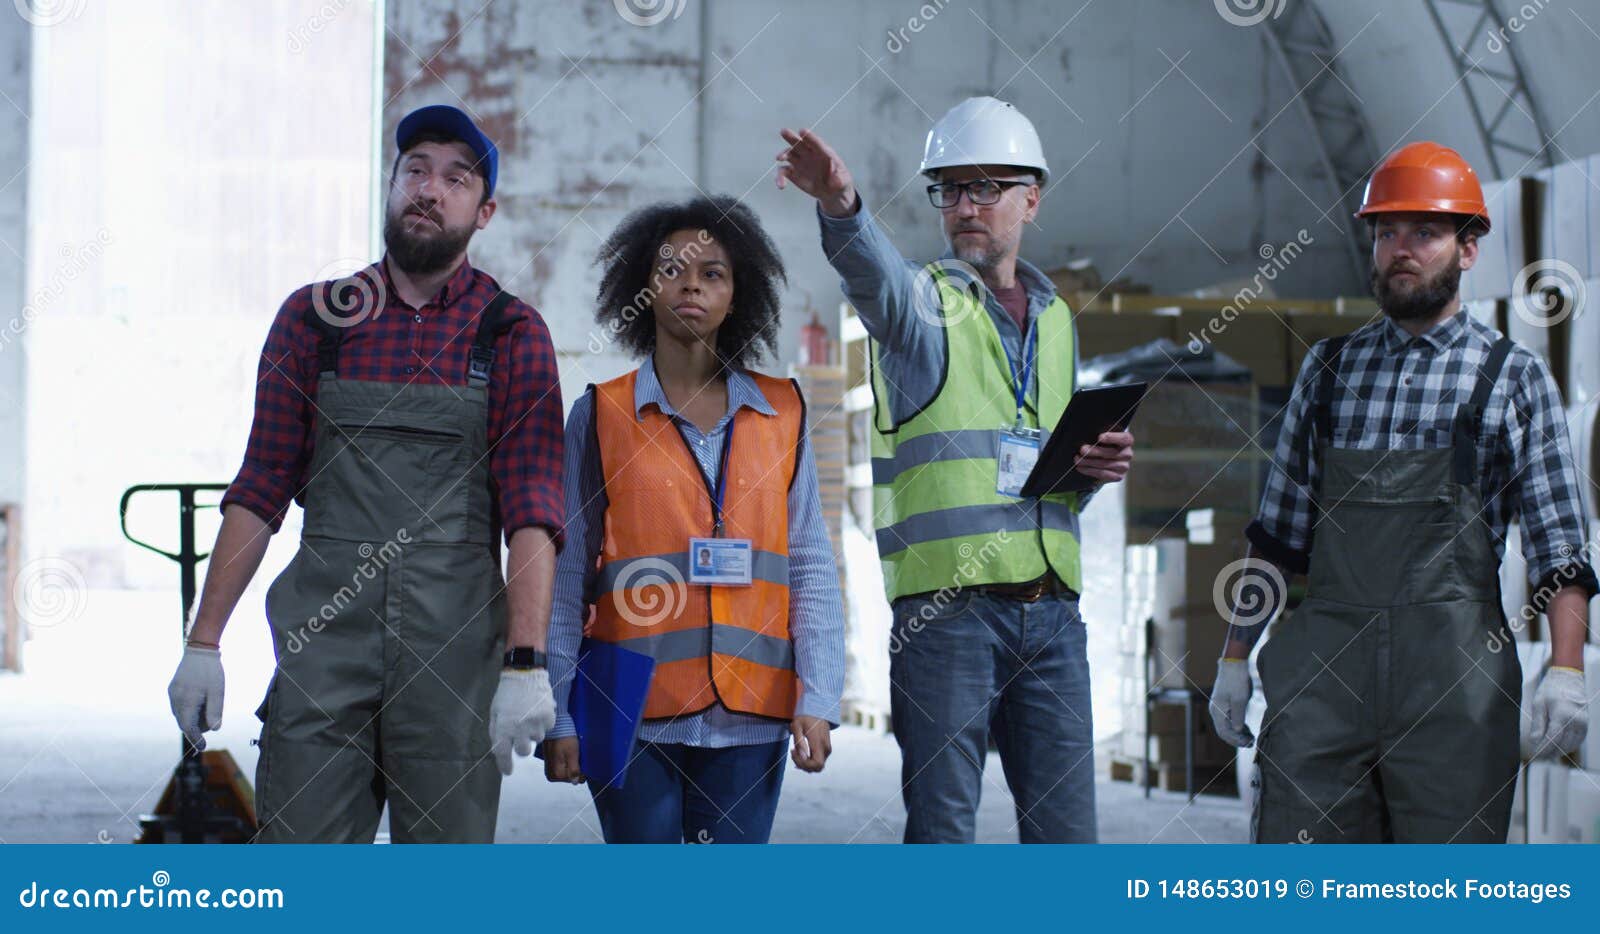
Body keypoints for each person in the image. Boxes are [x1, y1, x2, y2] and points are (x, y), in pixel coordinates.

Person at [165, 105, 566, 843]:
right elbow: (260, 490)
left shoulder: (511, 335)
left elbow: (534, 511)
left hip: (452, 672)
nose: (429, 189)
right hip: (324, 662)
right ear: (389, 188)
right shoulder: (315, 324)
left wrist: (527, 663)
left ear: (484, 212)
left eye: (455, 177)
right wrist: (204, 642)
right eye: (414, 171)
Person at [1209, 141, 1594, 843]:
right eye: (1387, 232)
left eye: (1425, 232)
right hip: (1325, 681)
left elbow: (1559, 546)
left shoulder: (1512, 378)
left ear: (1468, 249)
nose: (1401, 250)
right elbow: (1275, 536)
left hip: (1453, 689)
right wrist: (1234, 657)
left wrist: (1566, 669)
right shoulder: (1329, 373)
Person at [776, 97, 1134, 843]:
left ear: (1031, 198)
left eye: (986, 188)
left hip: (1055, 615)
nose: (965, 205)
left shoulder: (1060, 320)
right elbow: (872, 274)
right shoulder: (923, 308)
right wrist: (841, 204)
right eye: (950, 189)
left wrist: (1094, 470)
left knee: (1069, 838)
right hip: (948, 618)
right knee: (943, 835)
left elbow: (1050, 479)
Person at [543, 195, 845, 844]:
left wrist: (819, 698)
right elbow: (565, 578)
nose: (691, 283)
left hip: (751, 711)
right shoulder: (599, 416)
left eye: (713, 273)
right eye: (673, 268)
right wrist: (562, 715)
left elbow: (811, 565)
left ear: (737, 297)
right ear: (644, 287)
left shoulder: (784, 414)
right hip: (621, 704)